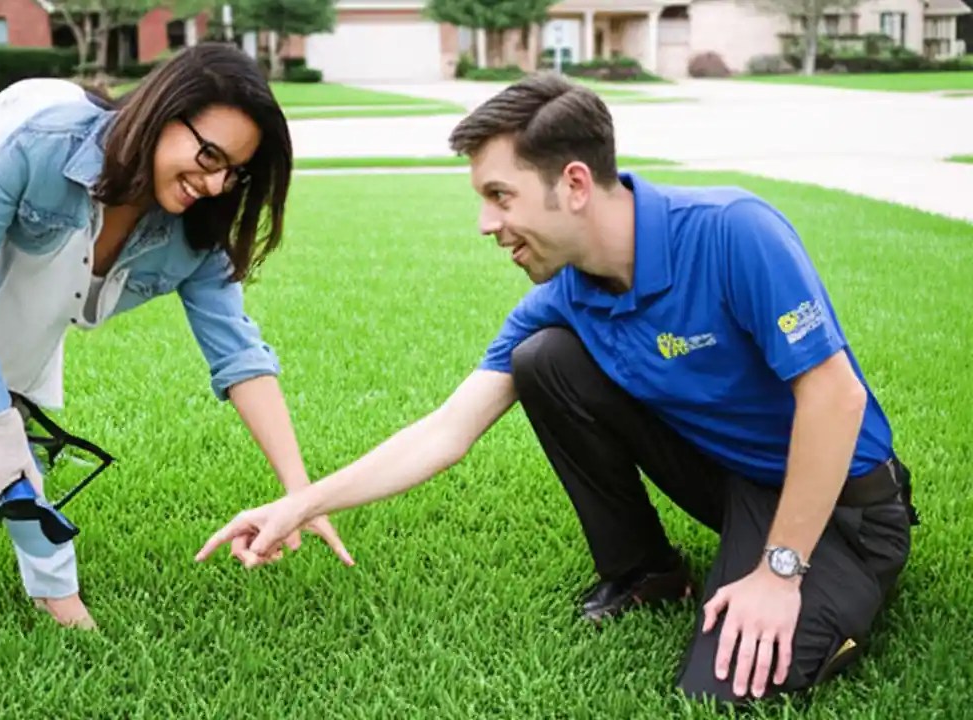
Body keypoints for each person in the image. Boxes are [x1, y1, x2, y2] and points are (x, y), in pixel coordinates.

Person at [195, 72, 919, 706]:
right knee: (546, 360)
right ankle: (647, 573)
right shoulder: (563, 298)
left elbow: (835, 399)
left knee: (726, 691)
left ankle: (822, 588)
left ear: (573, 183)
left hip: (846, 506)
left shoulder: (732, 231)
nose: (487, 224)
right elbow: (447, 430)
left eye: (500, 196)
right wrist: (300, 504)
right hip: (733, 482)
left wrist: (778, 571)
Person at [0, 43, 352, 669]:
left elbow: (240, 357)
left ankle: (55, 595)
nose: (213, 184)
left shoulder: (194, 233)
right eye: (208, 156)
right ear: (163, 112)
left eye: (234, 173)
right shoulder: (42, 144)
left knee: (19, 427)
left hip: (11, 264)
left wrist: (298, 494)